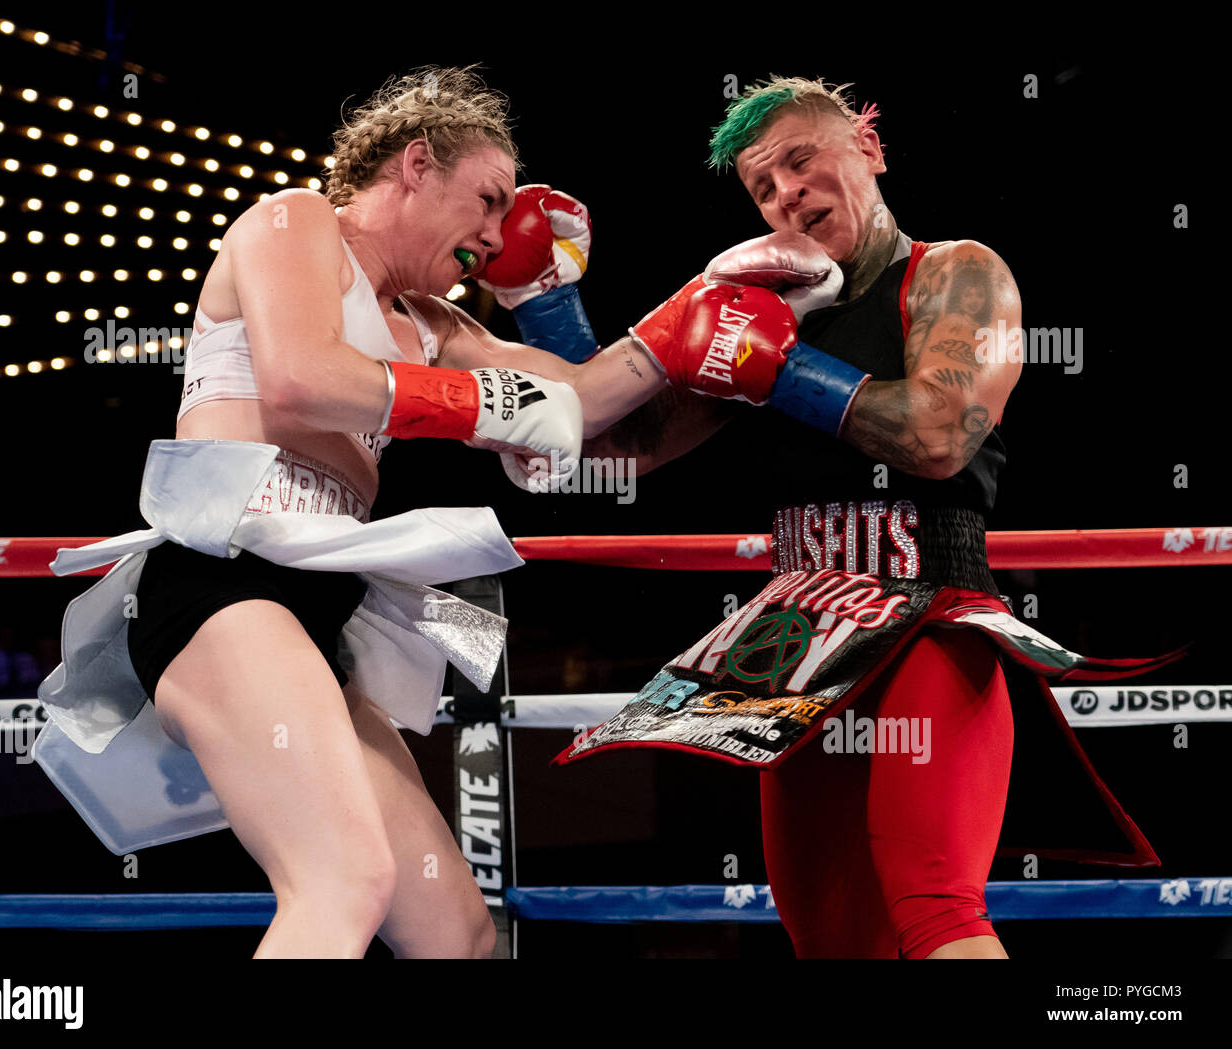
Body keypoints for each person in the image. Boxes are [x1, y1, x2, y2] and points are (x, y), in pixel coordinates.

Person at [488, 76, 1172, 959]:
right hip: (800, 633)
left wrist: (780, 371)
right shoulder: (765, 305)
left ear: (870, 149)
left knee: (935, 909)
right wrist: (543, 300)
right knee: (829, 938)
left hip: (931, 612)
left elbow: (937, 434)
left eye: (801, 164)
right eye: (764, 188)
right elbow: (619, 447)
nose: (786, 197)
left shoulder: (958, 273)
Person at [38, 66, 677, 959]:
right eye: (487, 201)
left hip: (319, 614)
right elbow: (303, 380)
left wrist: (698, 303)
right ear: (416, 165)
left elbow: (584, 404)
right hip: (219, 585)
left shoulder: (432, 324)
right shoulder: (295, 224)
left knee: (455, 932)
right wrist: (489, 405)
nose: (495, 237)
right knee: (342, 881)